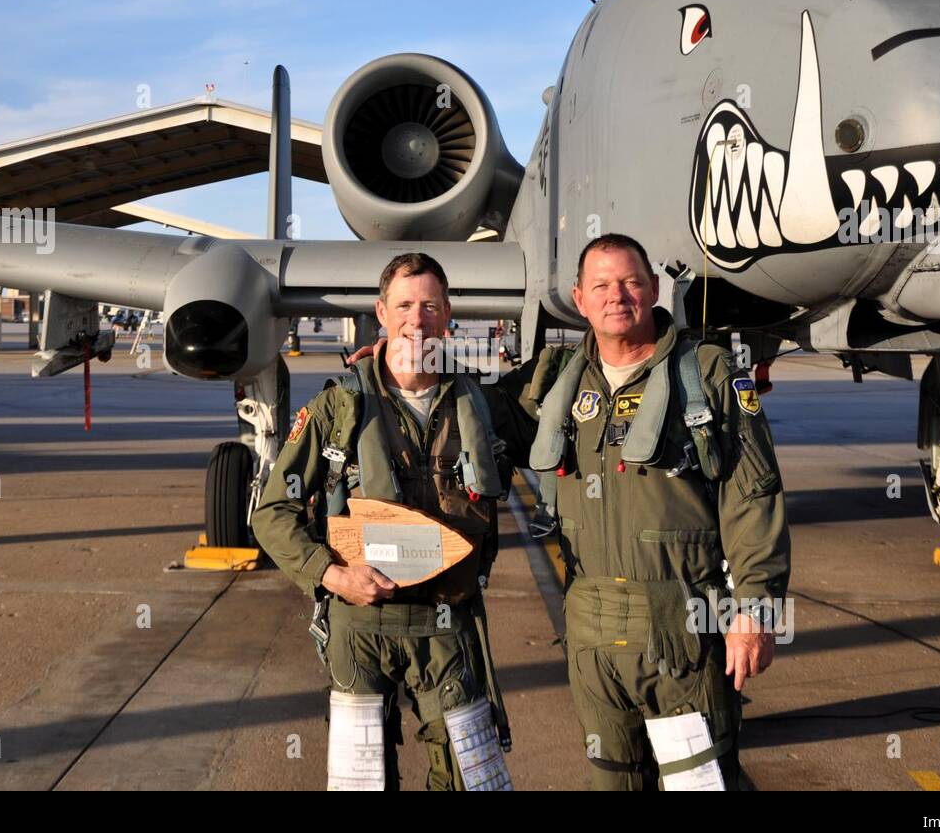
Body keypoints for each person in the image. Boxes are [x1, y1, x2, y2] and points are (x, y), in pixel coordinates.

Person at [349, 233, 790, 790]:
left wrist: (756, 608)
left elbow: (754, 498)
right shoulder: (554, 381)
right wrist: (389, 370)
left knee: (701, 782)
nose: (617, 296)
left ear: (654, 290)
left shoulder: (707, 375)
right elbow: (469, 408)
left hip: (684, 622)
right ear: (579, 300)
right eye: (601, 285)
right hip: (590, 630)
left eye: (631, 282)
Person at [253, 252, 517, 791]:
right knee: (363, 784)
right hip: (361, 625)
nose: (415, 319)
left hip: (449, 624)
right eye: (403, 305)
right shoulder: (338, 409)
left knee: (472, 781)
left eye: (429, 306)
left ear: (447, 316)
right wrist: (332, 575)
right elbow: (272, 513)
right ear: (381, 313)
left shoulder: (483, 405)